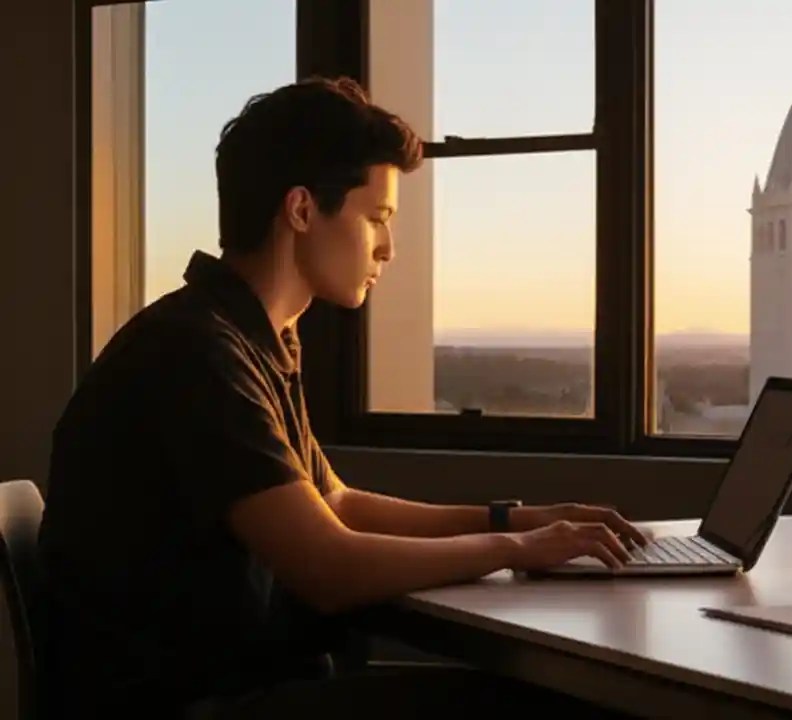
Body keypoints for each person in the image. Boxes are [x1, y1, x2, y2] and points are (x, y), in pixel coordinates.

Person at [37, 76, 644, 719]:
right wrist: (517, 551)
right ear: (301, 211)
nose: (388, 247)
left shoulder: (252, 335)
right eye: (377, 218)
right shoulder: (196, 354)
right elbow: (330, 569)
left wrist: (514, 519)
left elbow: (337, 505)